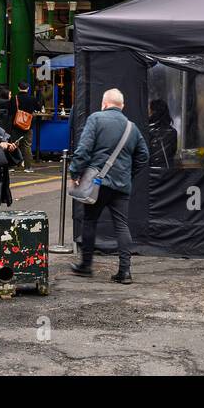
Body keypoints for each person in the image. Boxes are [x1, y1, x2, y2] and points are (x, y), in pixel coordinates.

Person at [69, 90, 149, 283]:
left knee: (89, 220)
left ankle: (86, 266)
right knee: (121, 225)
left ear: (104, 104)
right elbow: (143, 156)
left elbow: (84, 149)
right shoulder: (132, 127)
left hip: (98, 183)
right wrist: (128, 174)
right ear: (122, 106)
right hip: (121, 185)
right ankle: (125, 272)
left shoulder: (96, 119)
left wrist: (75, 172)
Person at [147, 98, 179, 170]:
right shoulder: (172, 132)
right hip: (168, 173)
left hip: (149, 174)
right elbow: (173, 152)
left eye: (149, 111)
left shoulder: (147, 131)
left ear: (153, 112)